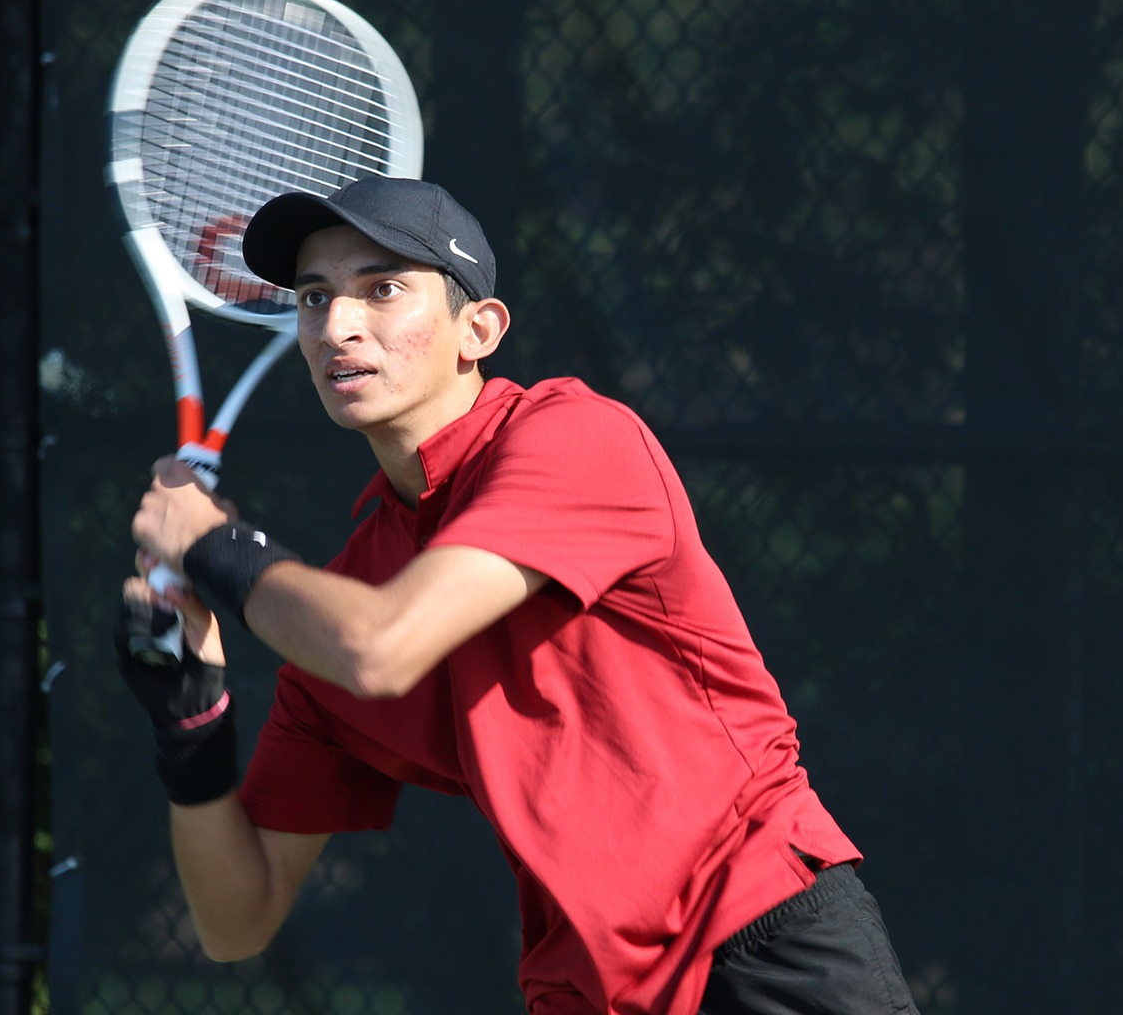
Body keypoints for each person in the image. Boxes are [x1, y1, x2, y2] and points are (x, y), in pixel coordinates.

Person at [115, 175, 918, 1015]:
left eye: (381, 288)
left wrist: (211, 545)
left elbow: (381, 647)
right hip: (585, 992)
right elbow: (236, 920)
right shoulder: (339, 602)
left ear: (479, 330)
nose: (338, 325)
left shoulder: (578, 438)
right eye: (314, 297)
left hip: (763, 941)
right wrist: (190, 721)